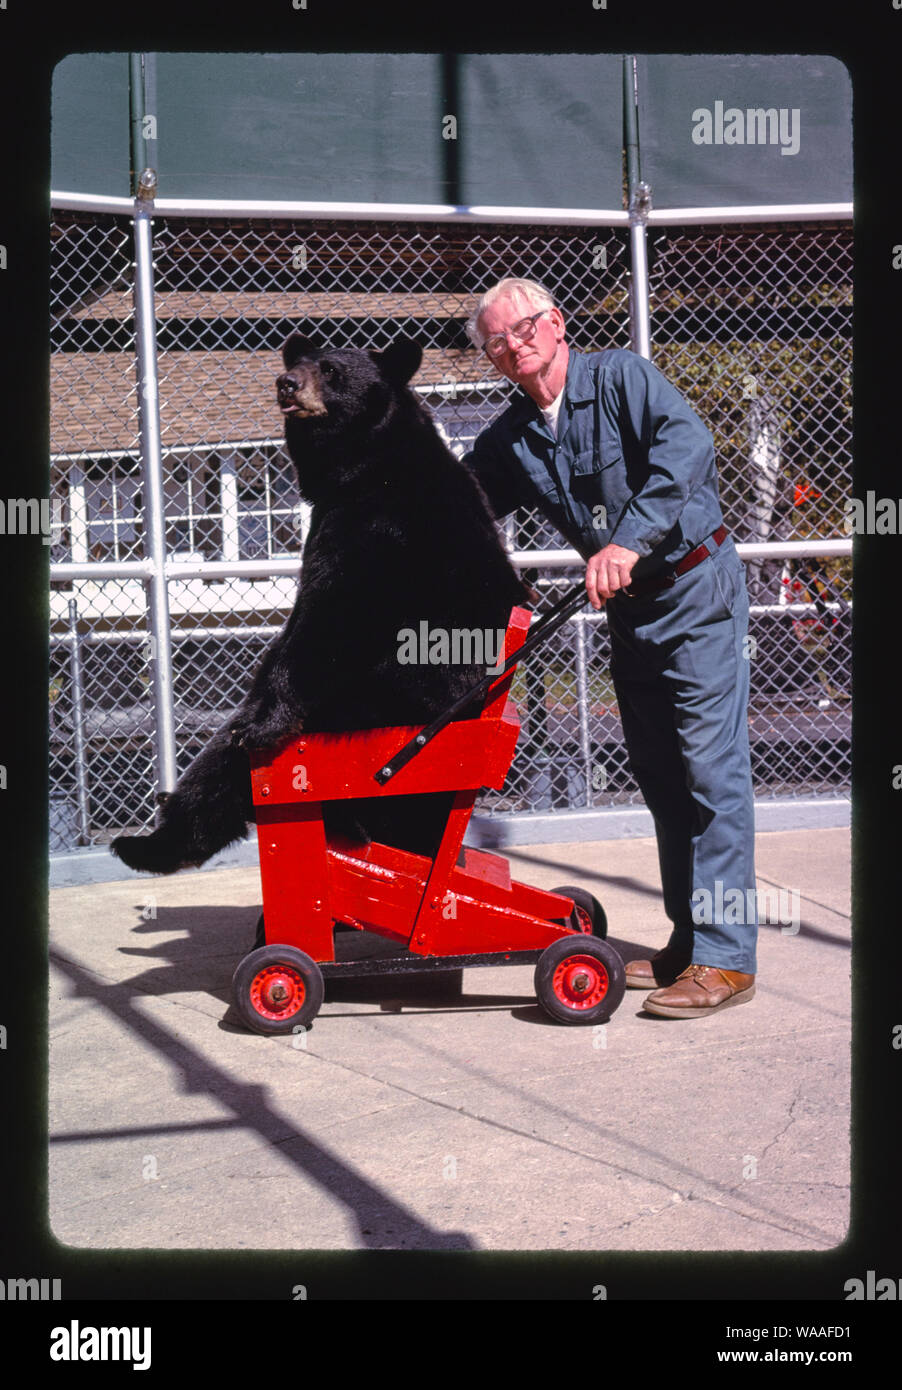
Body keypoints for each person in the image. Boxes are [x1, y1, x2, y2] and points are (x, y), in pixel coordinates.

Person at [463, 277, 758, 1018]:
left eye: (524, 327)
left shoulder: (623, 376)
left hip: (695, 594)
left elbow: (689, 444)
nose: (514, 344)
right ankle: (691, 941)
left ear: (556, 325)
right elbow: (460, 507)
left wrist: (628, 538)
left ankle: (729, 959)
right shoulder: (511, 437)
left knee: (709, 774)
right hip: (631, 614)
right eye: (497, 340)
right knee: (661, 779)